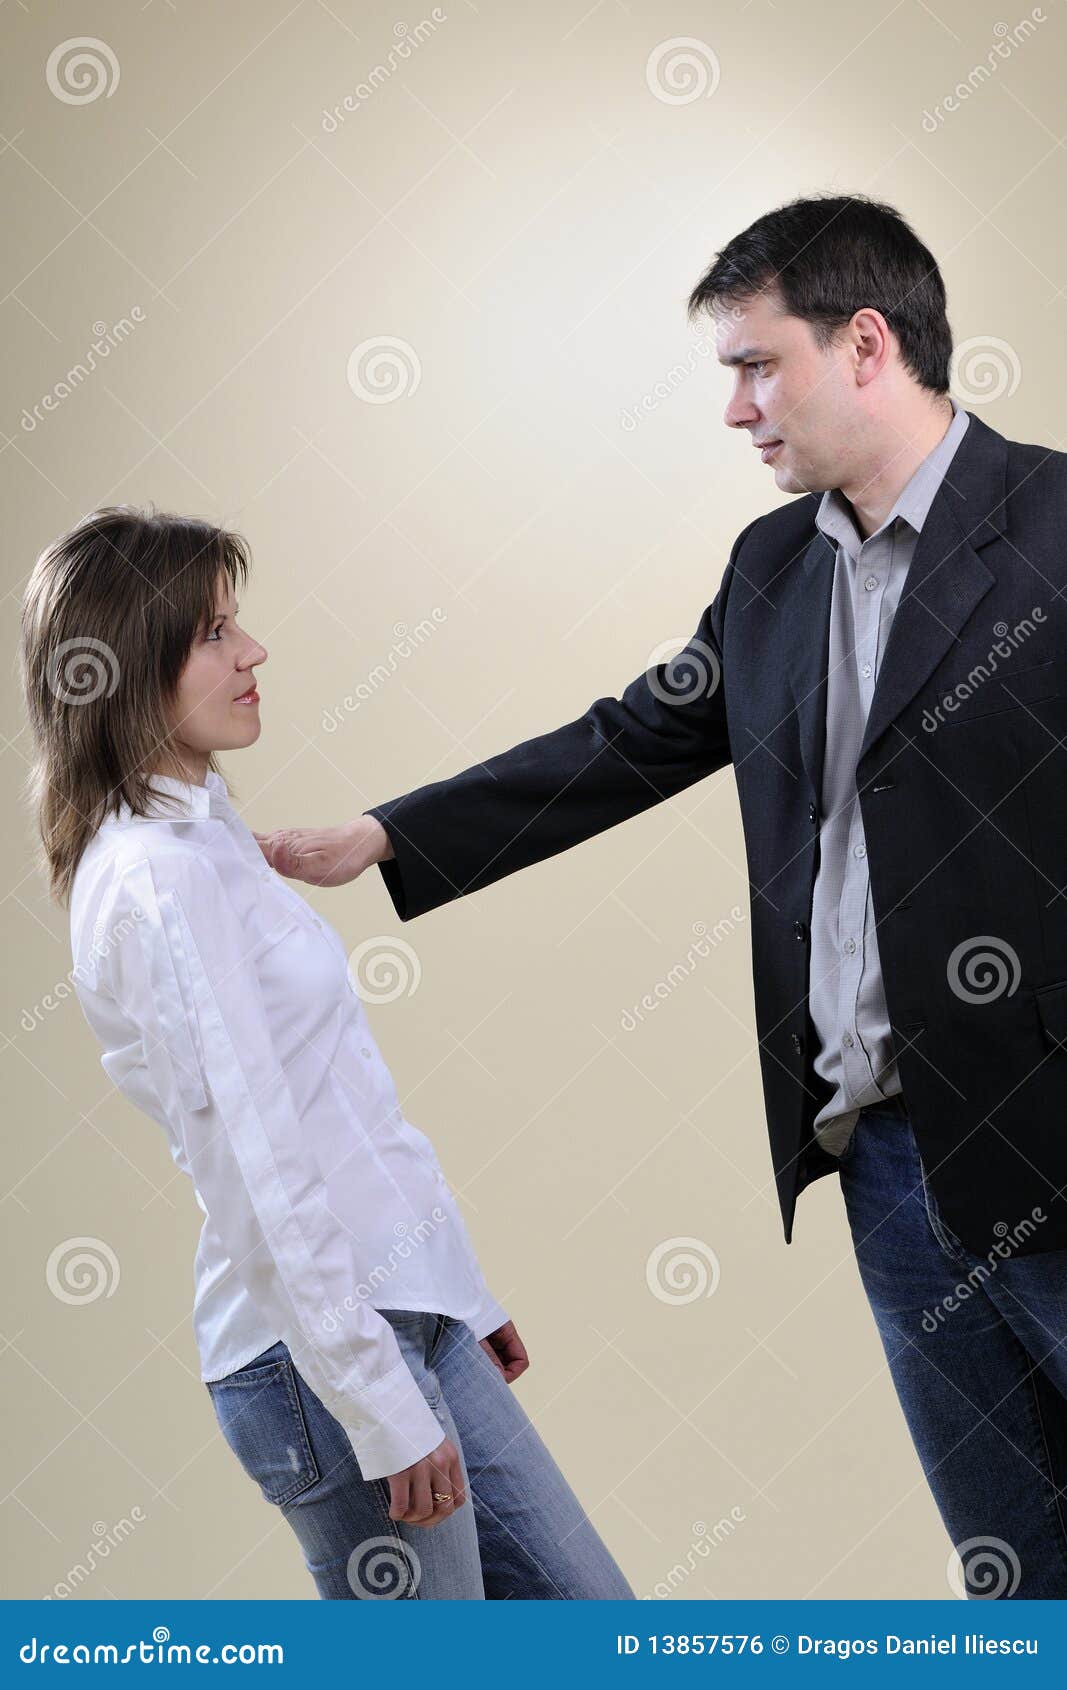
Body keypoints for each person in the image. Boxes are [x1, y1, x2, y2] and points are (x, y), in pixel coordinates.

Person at [256, 193, 1067, 1599]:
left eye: (755, 366)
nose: (734, 409)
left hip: (1051, 1123)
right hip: (882, 1158)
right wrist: (390, 836)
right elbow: (633, 738)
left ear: (863, 342)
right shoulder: (769, 571)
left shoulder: (1054, 522)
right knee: (1013, 1566)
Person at [18, 506, 634, 1603]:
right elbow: (254, 1163)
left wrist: (456, 1285)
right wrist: (375, 1398)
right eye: (213, 632)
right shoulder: (156, 880)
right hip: (322, 1359)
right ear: (125, 667)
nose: (252, 652)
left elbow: (336, 1094)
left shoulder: (210, 834)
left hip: (402, 1312)